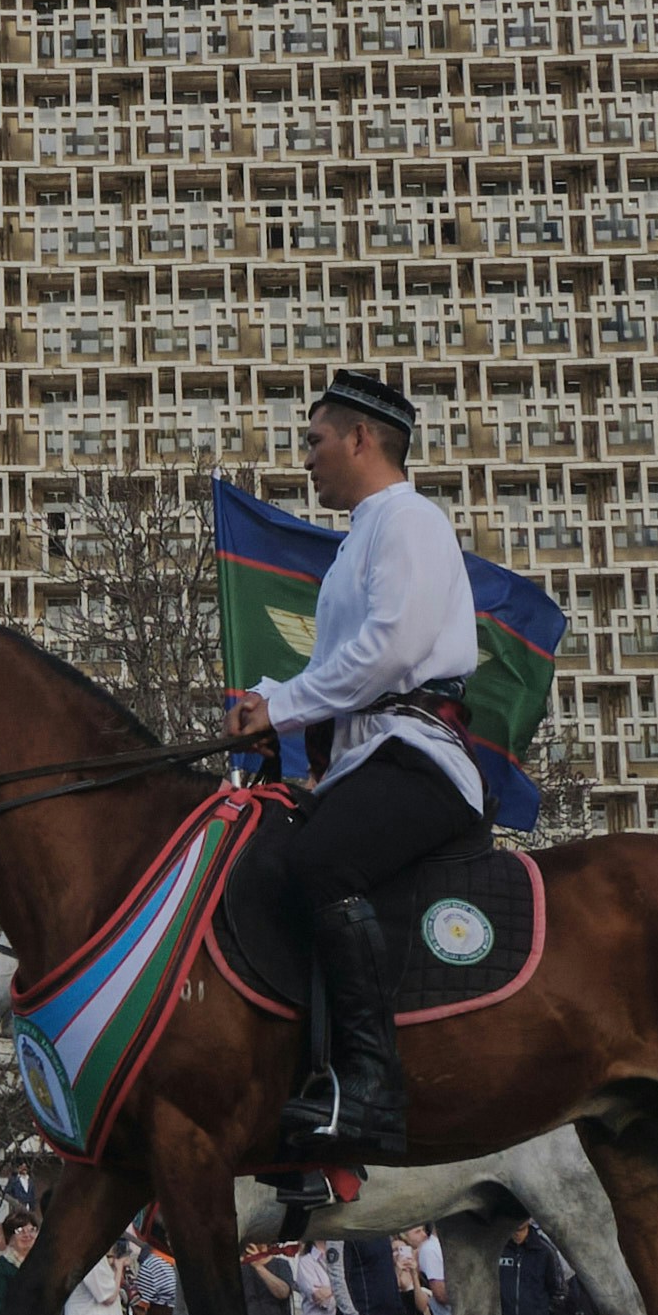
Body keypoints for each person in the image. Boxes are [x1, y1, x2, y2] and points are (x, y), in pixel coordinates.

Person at [216, 368, 480, 1178]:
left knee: (318, 860)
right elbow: (336, 669)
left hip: (419, 756)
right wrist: (265, 706)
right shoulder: (358, 542)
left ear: (362, 437)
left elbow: (391, 653)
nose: (308, 456)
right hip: (367, 758)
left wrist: (282, 706)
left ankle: (367, 1083)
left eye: (315, 438)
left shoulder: (408, 521)